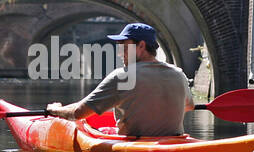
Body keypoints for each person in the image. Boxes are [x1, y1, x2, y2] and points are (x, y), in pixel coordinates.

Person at [46, 23, 193, 136]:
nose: (120, 54)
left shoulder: (122, 76)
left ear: (141, 45)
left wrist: (55, 110)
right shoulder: (178, 73)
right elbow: (189, 106)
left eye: (124, 47)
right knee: (107, 129)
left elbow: (78, 113)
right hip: (174, 142)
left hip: (135, 145)